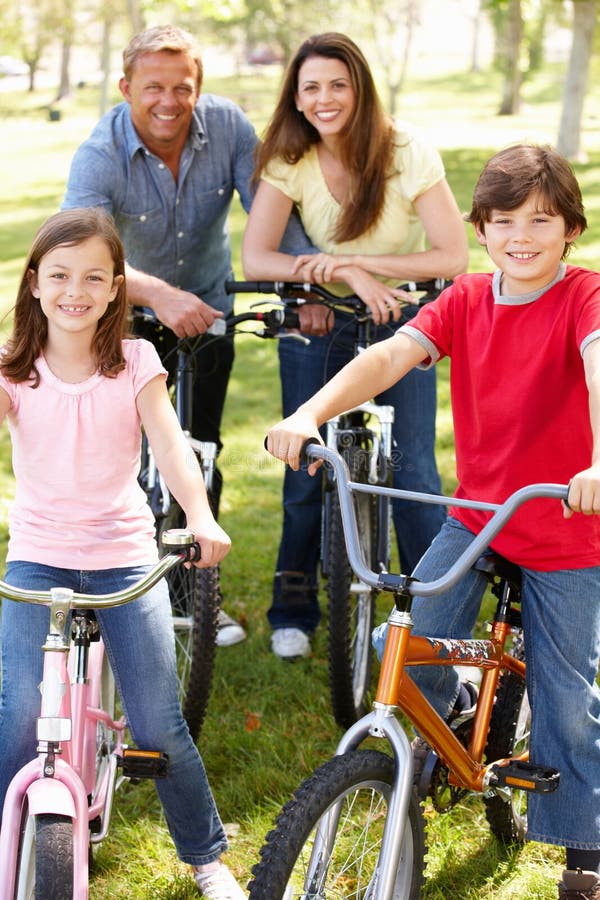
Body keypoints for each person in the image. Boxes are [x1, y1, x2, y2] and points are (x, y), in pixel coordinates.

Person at [266, 144, 600, 899]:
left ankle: (585, 849)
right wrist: (310, 411)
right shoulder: (465, 299)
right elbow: (390, 355)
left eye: (541, 221)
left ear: (571, 228)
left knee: (567, 695)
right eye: (505, 220)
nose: (522, 236)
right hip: (481, 514)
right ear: (480, 228)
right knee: (403, 642)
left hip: (565, 522)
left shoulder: (585, 297)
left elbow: (598, 361)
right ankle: (447, 707)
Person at [0, 209, 245, 899]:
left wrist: (199, 515)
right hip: (39, 560)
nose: (75, 290)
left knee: (159, 720)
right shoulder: (13, 368)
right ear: (35, 283)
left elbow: (168, 443)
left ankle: (205, 857)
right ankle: (6, 840)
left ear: (115, 290)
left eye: (93, 278)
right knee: (16, 711)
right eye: (59, 276)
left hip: (123, 555)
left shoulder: (134, 360)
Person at [242, 32, 468, 660]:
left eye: (337, 84)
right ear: (296, 95)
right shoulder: (290, 155)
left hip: (402, 319)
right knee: (304, 463)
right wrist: (345, 274)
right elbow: (257, 254)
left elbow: (452, 253)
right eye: (310, 87)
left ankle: (436, 613)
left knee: (415, 471)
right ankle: (293, 608)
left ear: (360, 87)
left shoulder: (405, 149)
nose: (324, 99)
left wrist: (358, 262)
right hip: (324, 319)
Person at [62, 25, 267, 646]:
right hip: (119, 313)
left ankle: (195, 594)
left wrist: (314, 273)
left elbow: (271, 212)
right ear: (127, 88)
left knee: (200, 450)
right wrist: (159, 294)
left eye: (183, 88)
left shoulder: (228, 127)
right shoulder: (100, 153)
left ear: (199, 89)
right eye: (153, 87)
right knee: (111, 456)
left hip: (205, 310)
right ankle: (103, 586)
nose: (169, 101)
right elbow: (78, 249)